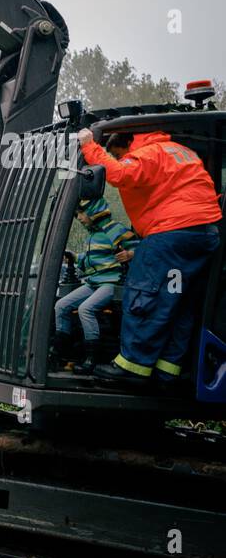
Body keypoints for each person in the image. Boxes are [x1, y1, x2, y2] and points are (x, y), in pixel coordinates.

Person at [78, 127, 222, 385]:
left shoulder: (147, 153)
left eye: (118, 154)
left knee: (144, 293)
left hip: (172, 231)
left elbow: (120, 174)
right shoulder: (182, 151)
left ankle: (133, 366)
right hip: (204, 233)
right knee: (179, 299)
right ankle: (167, 369)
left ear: (126, 143)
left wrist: (90, 147)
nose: (119, 160)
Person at [52, 196, 138, 373]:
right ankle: (60, 354)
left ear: (94, 211)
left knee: (86, 309)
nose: (80, 218)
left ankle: (91, 358)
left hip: (110, 283)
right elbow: (90, 260)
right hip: (94, 282)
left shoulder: (114, 229)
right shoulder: (93, 235)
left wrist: (130, 254)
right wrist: (74, 258)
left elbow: (140, 247)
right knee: (61, 306)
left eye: (81, 213)